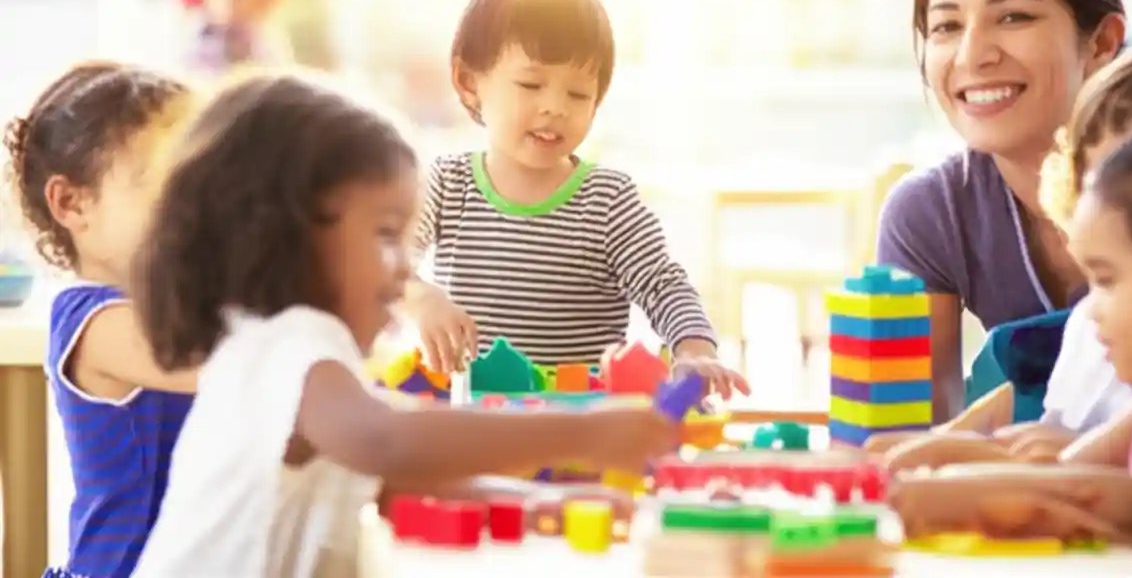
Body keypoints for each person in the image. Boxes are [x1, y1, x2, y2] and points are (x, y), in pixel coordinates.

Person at [129, 74, 678, 576]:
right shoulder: (289, 343)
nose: (405, 267)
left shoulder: (294, 358)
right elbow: (387, 441)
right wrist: (584, 433)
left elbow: (390, 484)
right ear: (286, 232)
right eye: (387, 234)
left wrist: (538, 502)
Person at [890, 38, 1132, 577]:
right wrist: (940, 465)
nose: (1090, 310)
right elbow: (1062, 470)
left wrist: (957, 494)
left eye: (1109, 281)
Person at [406, 0, 748, 399]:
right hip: (480, 425)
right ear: (468, 81)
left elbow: (663, 284)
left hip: (580, 424)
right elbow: (386, 263)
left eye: (578, 94)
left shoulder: (607, 200)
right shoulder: (447, 184)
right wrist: (420, 297)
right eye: (531, 84)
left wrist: (694, 351)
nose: (555, 107)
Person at [872, 41, 1132, 468]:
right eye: (1090, 182)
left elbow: (1102, 479)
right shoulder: (1088, 326)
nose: (1100, 209)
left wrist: (977, 458)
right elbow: (1051, 442)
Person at [876, 0, 1126, 421]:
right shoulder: (932, 213)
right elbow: (919, 432)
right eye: (946, 26)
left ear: (1102, 42)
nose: (973, 56)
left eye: (1013, 17)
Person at [2, 63, 200, 578]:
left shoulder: (182, 308)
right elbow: (223, 363)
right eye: (160, 184)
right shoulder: (92, 321)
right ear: (71, 204)